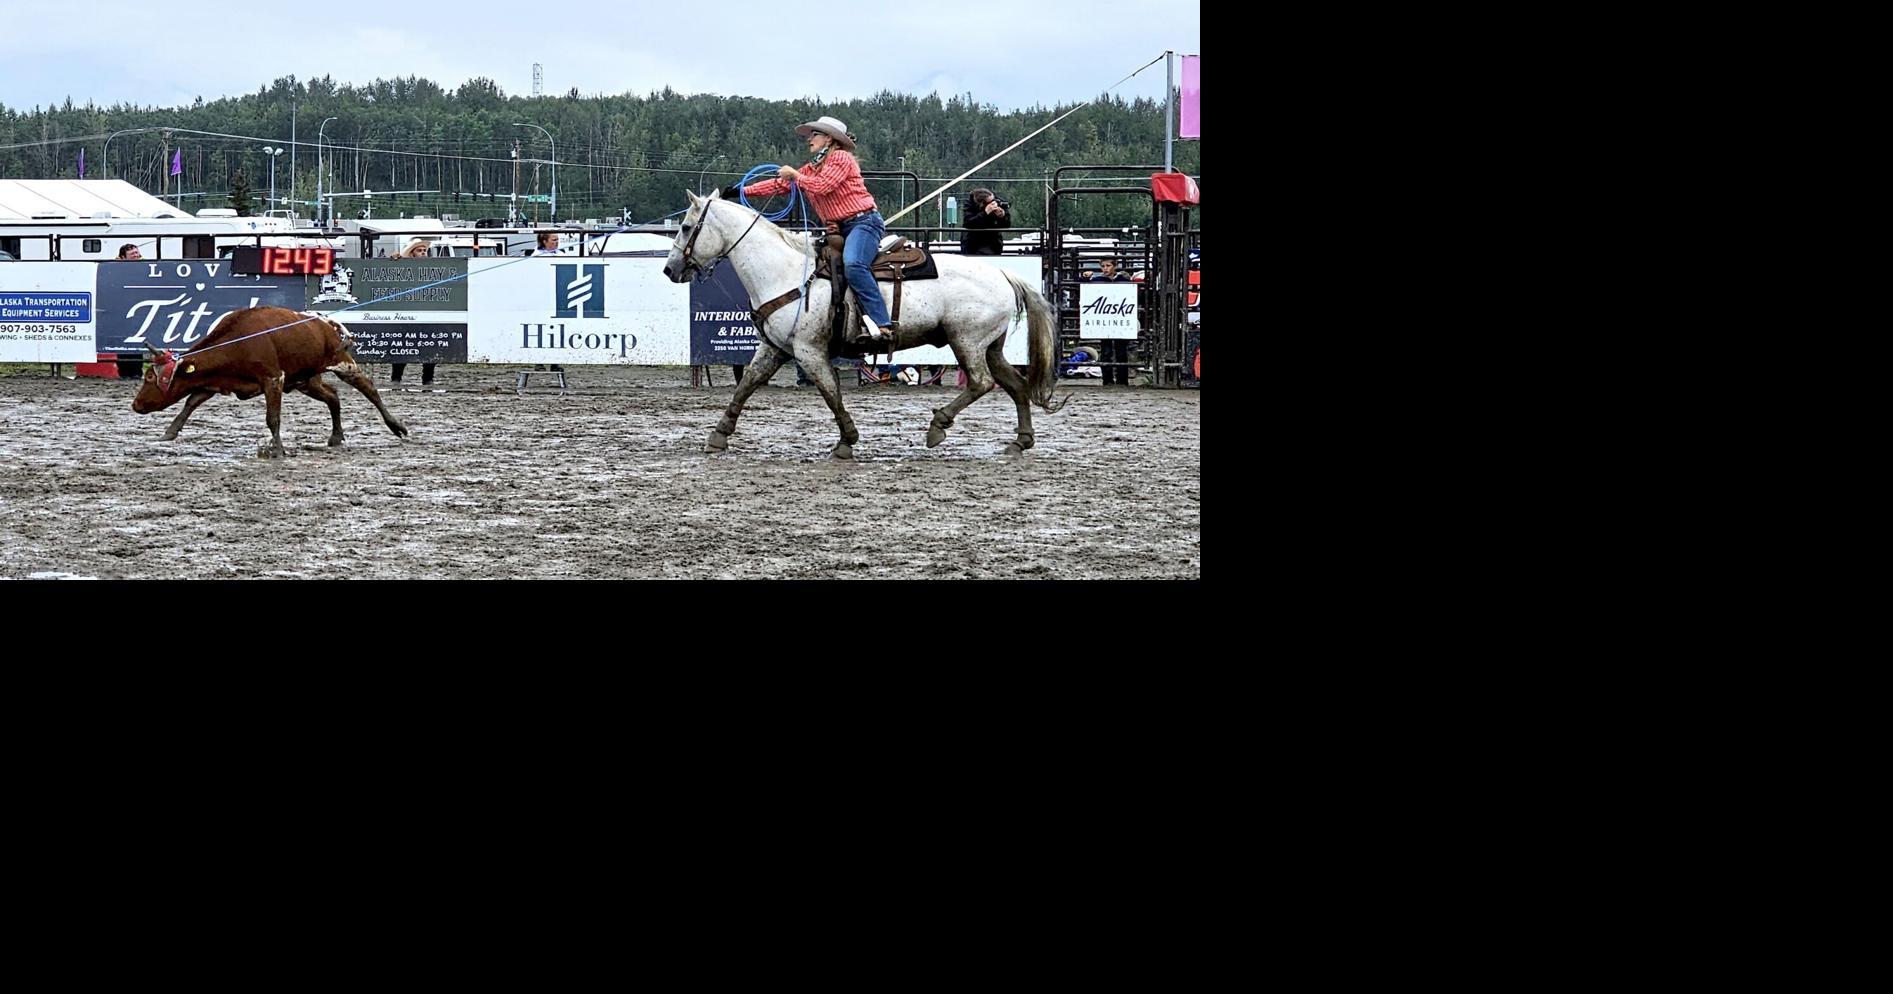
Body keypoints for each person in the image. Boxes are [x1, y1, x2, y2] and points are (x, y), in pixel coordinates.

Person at [726, 115, 892, 348]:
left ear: (829, 139)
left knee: (854, 264)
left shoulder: (841, 158)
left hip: (864, 223)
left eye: (814, 134)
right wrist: (741, 190)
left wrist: (795, 175)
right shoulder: (812, 168)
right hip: (842, 228)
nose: (809, 139)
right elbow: (780, 185)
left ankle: (882, 323)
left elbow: (823, 186)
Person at [388, 239, 440, 392]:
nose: (423, 253)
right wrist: (394, 260)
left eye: (424, 250)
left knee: (429, 346)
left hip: (426, 311)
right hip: (406, 312)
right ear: (412, 253)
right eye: (419, 250)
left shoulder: (433, 267)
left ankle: (428, 380)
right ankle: (396, 379)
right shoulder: (402, 266)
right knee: (402, 346)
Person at [1090, 258, 1134, 387]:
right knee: (1107, 351)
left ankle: (1121, 379)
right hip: (1110, 319)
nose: (1105, 268)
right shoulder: (1098, 281)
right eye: (1103, 266)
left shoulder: (1122, 281)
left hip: (1114, 318)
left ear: (1115, 266)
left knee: (1120, 350)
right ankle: (1108, 379)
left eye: (1108, 265)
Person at [529, 232, 564, 373]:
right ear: (544, 241)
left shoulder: (562, 255)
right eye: (554, 240)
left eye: (557, 240)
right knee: (540, 330)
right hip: (541, 299)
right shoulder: (536, 256)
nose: (556, 242)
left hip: (558, 297)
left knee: (558, 330)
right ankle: (539, 361)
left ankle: (555, 361)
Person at [959, 188, 1010, 256]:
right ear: (982, 203)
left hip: (993, 244)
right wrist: (985, 213)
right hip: (972, 244)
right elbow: (969, 223)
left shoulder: (998, 202)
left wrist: (1003, 216)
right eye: (990, 202)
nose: (993, 203)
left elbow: (1006, 225)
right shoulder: (970, 205)